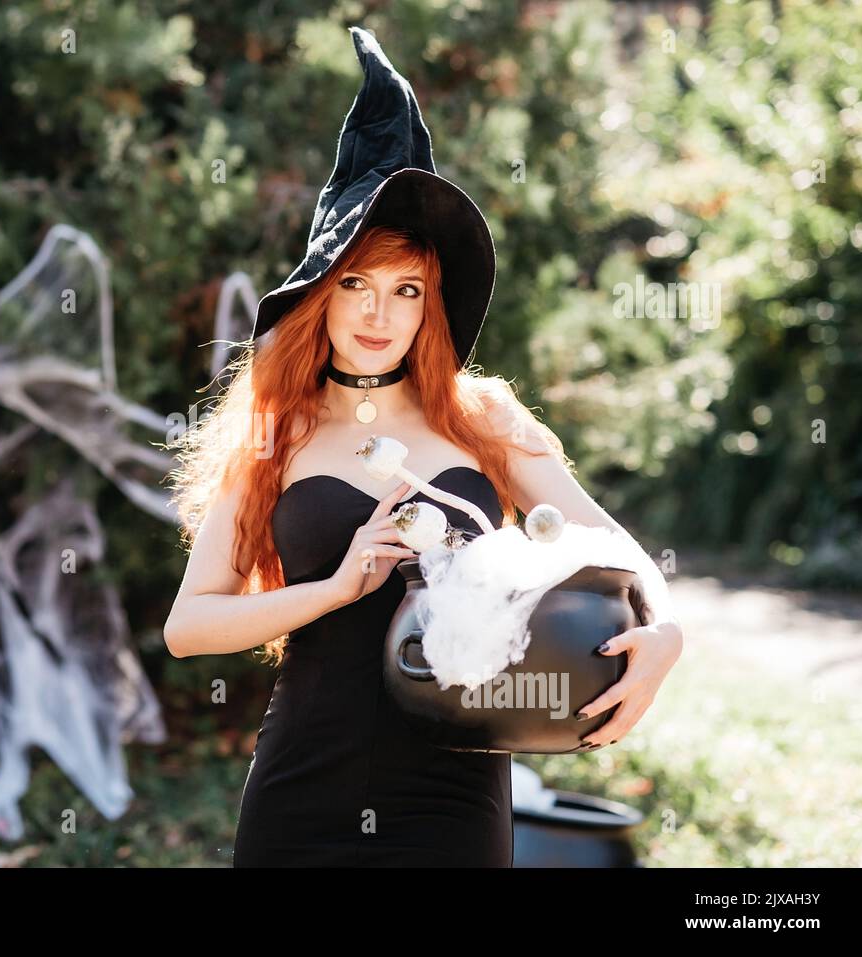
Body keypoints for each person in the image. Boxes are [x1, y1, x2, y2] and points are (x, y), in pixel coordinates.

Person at [162, 28, 683, 867]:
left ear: (430, 304)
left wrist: (668, 632)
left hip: (456, 793)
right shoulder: (277, 431)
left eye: (406, 289)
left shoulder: (483, 419)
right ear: (321, 296)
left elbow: (612, 548)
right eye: (355, 284)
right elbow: (189, 626)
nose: (379, 314)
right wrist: (334, 589)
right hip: (304, 787)